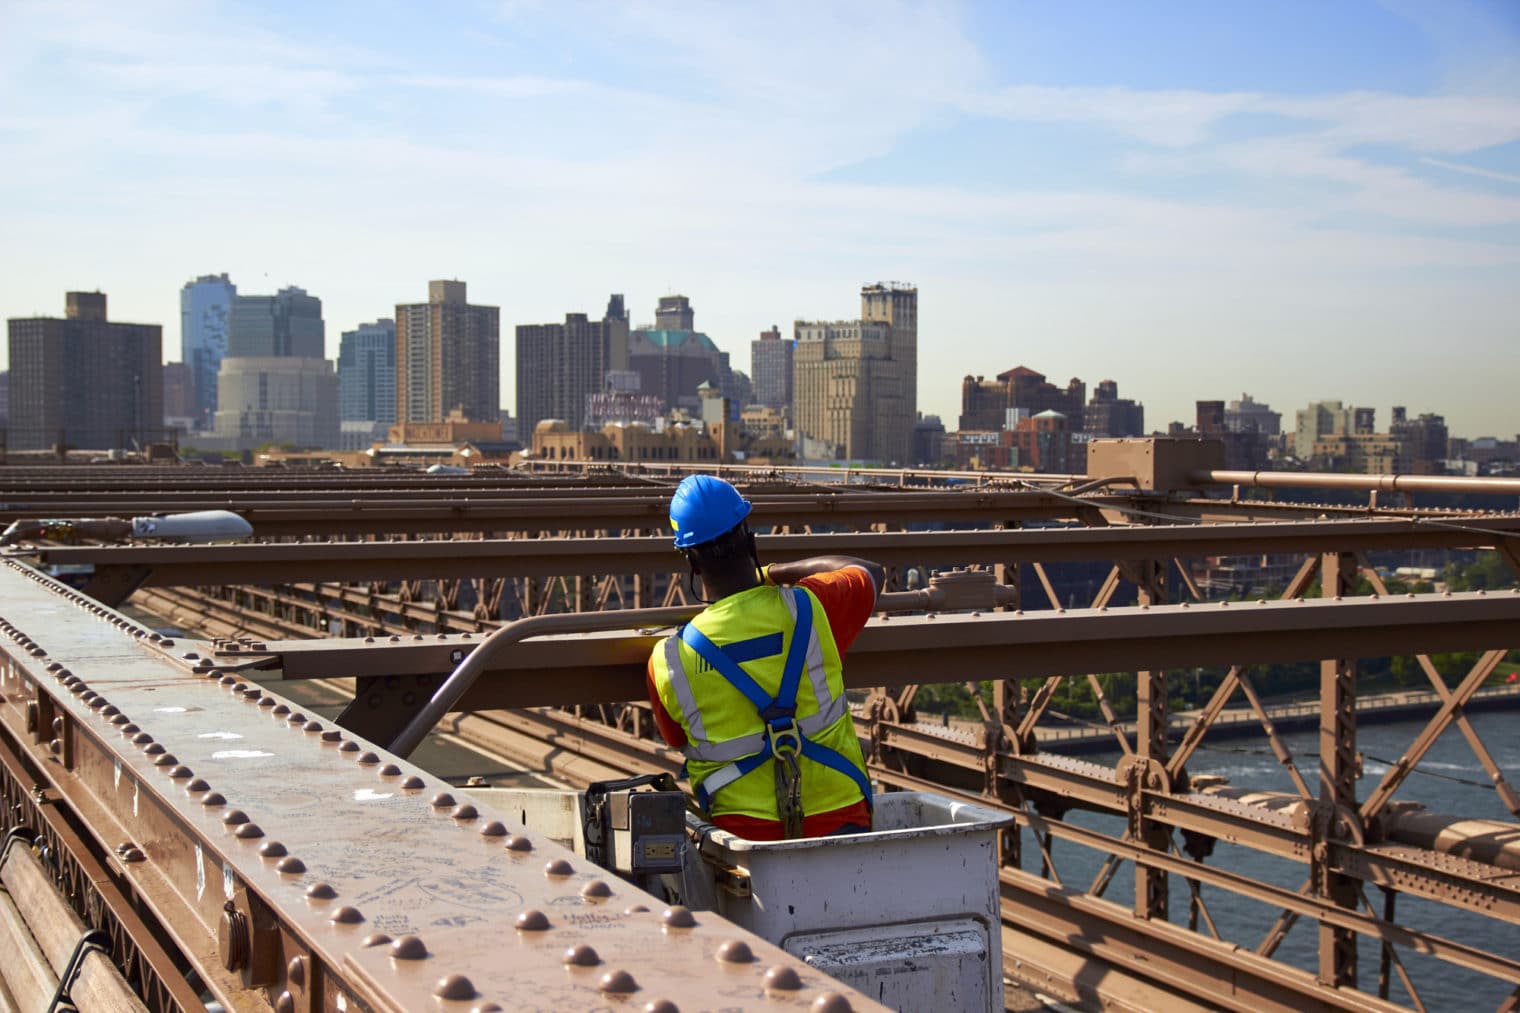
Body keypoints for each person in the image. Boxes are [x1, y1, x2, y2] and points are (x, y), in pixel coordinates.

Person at [646, 474, 884, 840]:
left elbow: (676, 739)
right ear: (752, 540)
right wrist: (772, 573)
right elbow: (870, 572)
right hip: (842, 821)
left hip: (742, 842)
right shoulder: (811, 607)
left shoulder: (668, 659)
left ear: (691, 563)